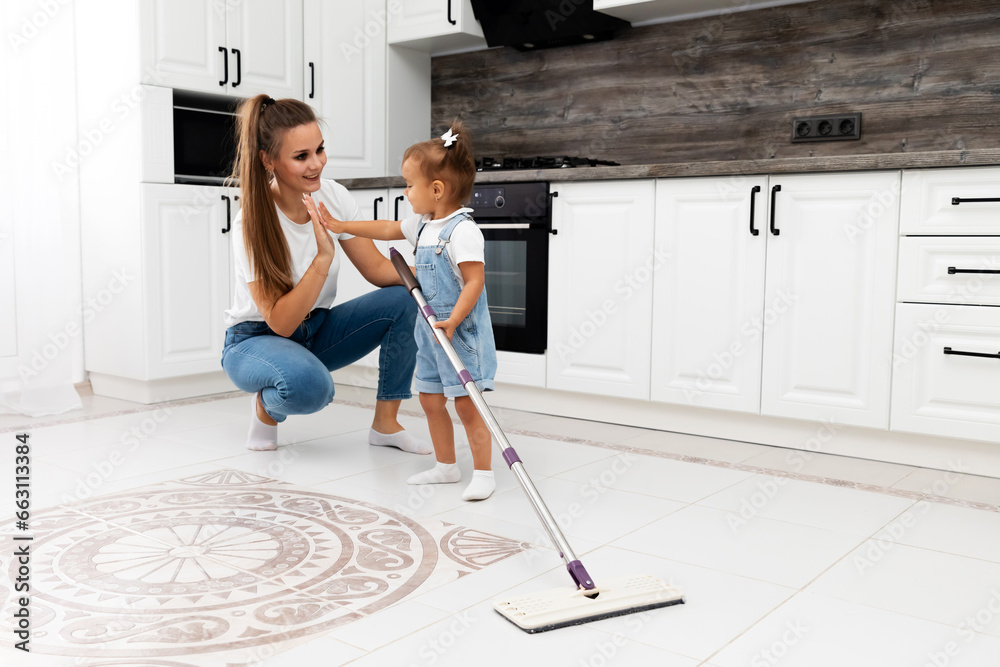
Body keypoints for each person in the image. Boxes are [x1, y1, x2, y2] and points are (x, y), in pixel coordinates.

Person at [221, 94, 431, 456]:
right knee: (312, 388)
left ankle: (385, 424)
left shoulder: (332, 196)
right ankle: (265, 408)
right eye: (301, 156)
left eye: (319, 149)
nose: (317, 163)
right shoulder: (252, 223)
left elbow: (378, 269)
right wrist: (323, 258)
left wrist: (435, 274)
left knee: (405, 297)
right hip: (254, 341)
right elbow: (281, 324)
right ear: (268, 160)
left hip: (315, 329)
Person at [303, 121, 497, 501]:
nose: (406, 192)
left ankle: (485, 473)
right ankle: (446, 466)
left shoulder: (462, 231)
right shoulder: (423, 224)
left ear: (436, 189)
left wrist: (454, 320)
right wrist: (341, 225)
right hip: (431, 332)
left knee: (466, 404)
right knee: (429, 398)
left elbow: (475, 283)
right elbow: (388, 228)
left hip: (460, 333)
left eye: (410, 185)